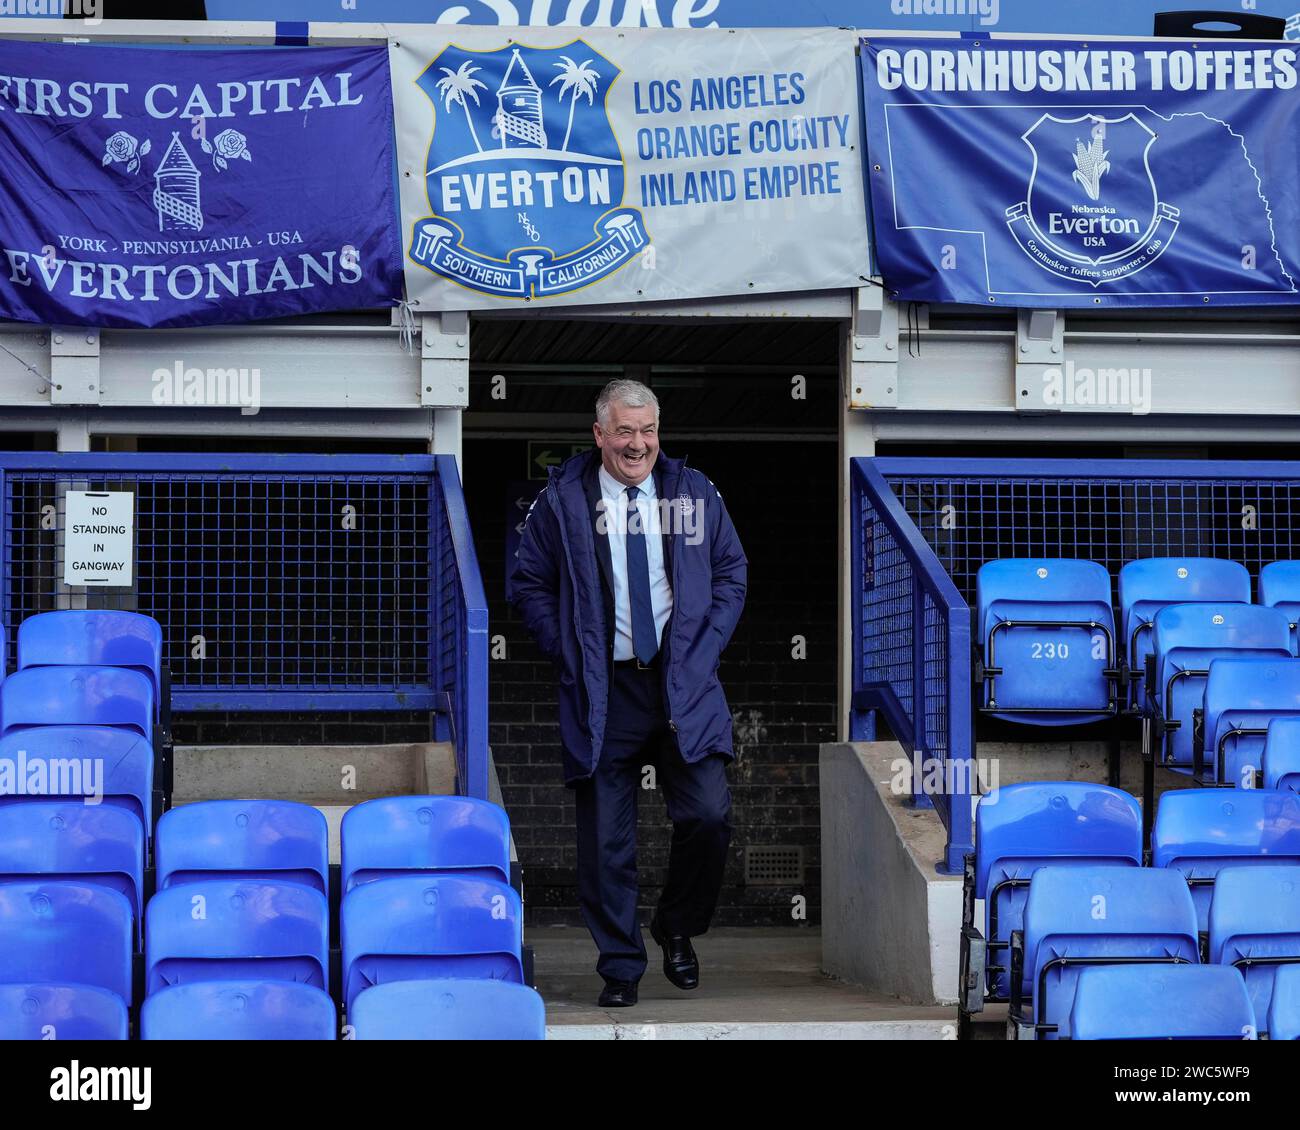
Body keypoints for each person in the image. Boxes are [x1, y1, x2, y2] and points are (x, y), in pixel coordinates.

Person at [510, 378, 747, 1007]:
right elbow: (528, 582)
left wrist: (703, 645)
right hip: (602, 690)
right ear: (599, 435)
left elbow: (731, 571)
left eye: (647, 430)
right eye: (624, 431)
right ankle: (620, 966)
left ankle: (676, 927)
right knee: (605, 845)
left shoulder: (694, 493)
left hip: (682, 686)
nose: (637, 444)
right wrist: (567, 648)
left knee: (708, 815)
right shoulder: (561, 499)